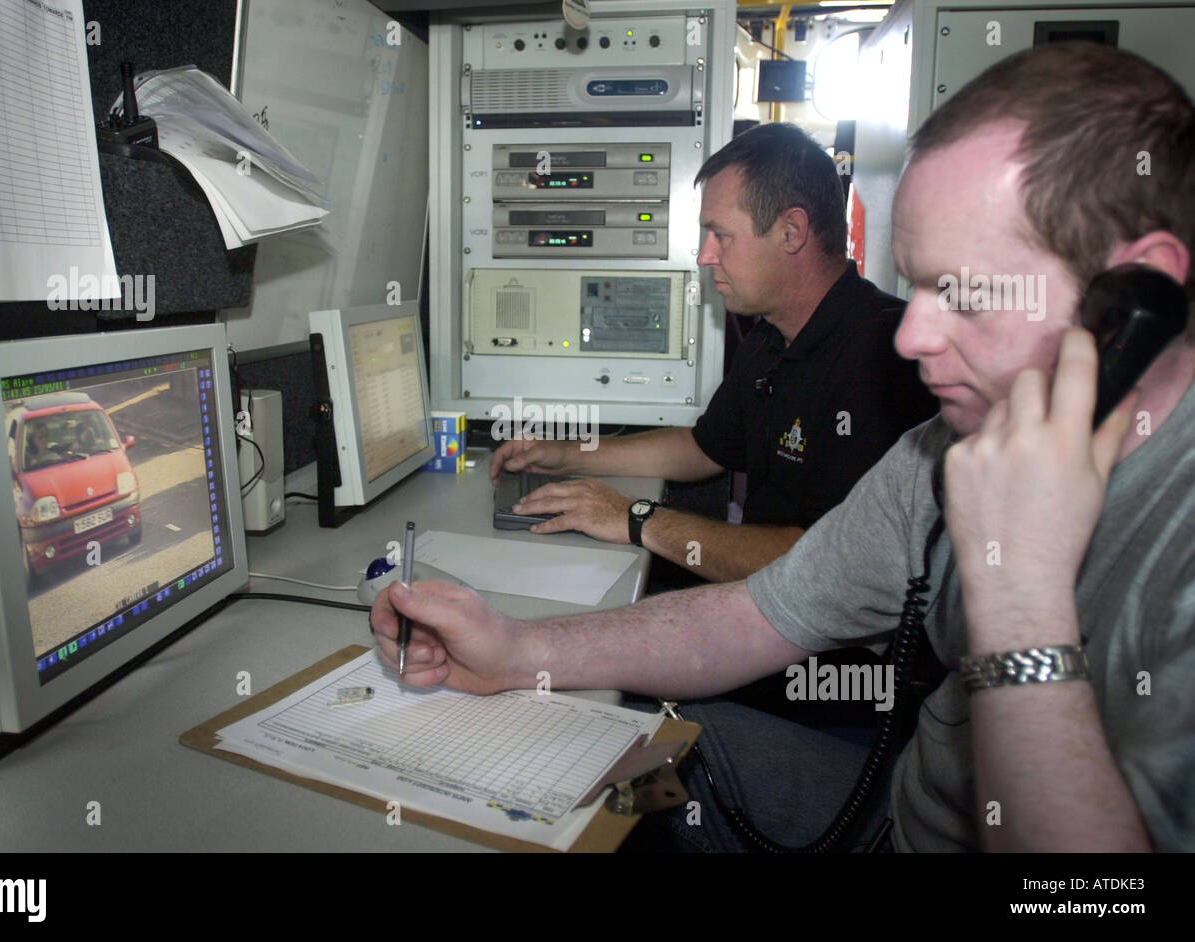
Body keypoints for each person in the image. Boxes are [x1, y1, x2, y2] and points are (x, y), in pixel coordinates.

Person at [373, 42, 1195, 852]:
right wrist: (517, 651)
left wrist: (1020, 605)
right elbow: (760, 613)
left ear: (1131, 301)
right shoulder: (942, 456)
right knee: (600, 756)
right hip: (897, 807)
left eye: (963, 293)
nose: (911, 336)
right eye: (915, 286)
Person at [490, 123, 936, 583]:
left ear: (791, 232)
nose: (705, 256)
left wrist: (636, 517)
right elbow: (704, 449)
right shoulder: (772, 337)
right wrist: (567, 455)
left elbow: (828, 562)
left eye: (720, 235)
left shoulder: (886, 357)